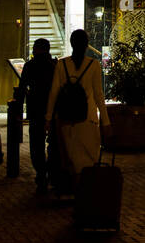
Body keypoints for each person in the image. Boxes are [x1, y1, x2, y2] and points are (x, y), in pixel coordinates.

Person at [46, 30, 110, 193]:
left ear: (71, 43)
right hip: (88, 118)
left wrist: (49, 117)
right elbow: (98, 95)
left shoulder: (61, 64)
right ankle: (86, 193)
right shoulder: (93, 64)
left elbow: (54, 92)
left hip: (67, 118)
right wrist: (106, 120)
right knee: (90, 157)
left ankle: (76, 190)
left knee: (72, 158)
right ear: (86, 45)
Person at [17, 39, 57, 196]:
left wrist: (18, 110)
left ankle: (41, 175)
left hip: (35, 110)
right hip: (52, 110)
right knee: (53, 144)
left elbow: (22, 88)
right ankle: (51, 172)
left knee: (36, 146)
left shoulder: (30, 66)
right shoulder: (54, 66)